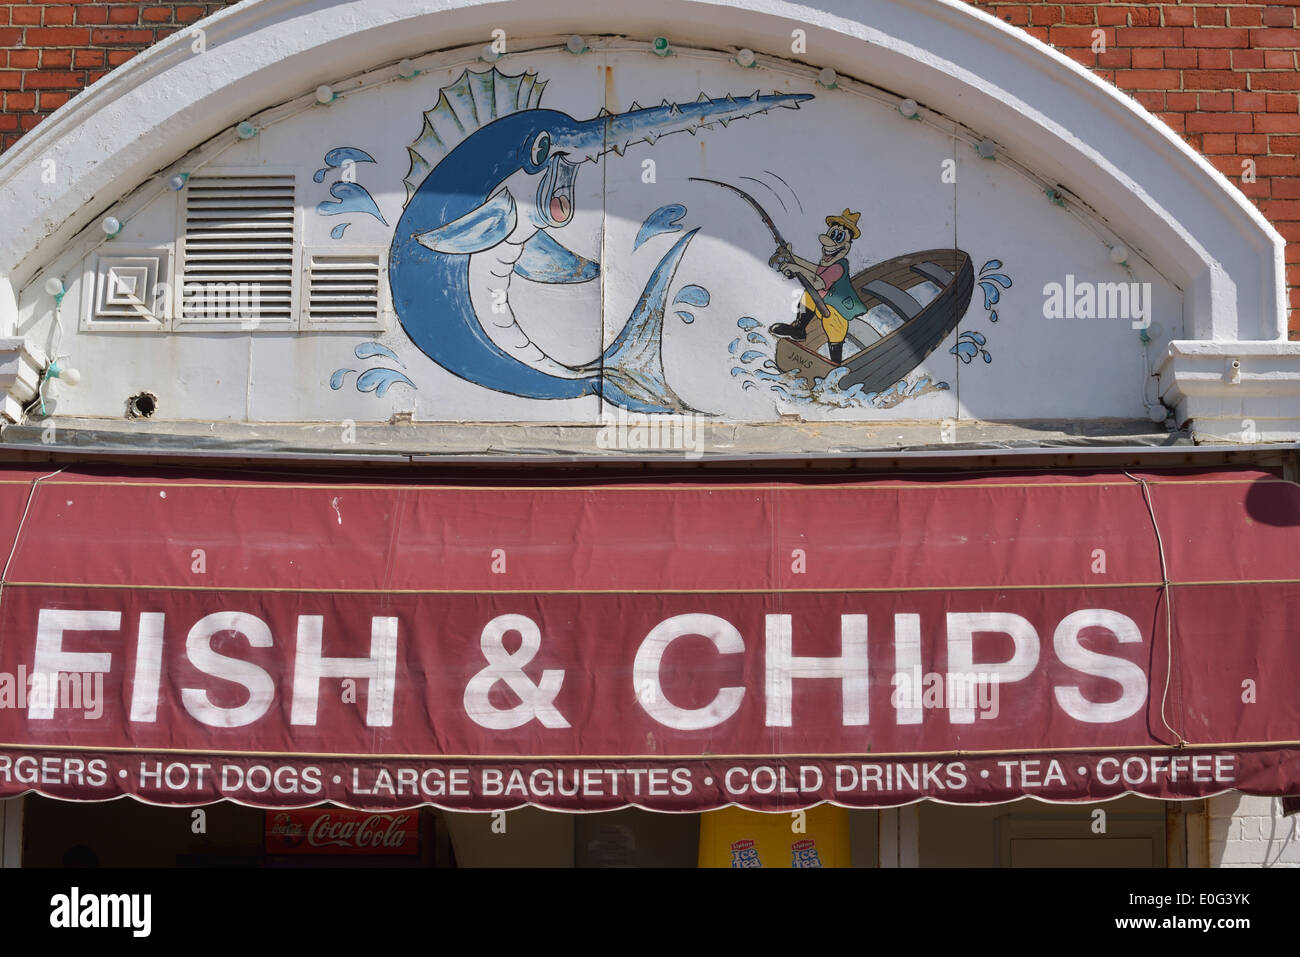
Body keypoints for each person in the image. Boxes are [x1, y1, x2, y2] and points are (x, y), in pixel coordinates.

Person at [769, 209, 868, 364]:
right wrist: (792, 257)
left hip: (836, 311)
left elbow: (819, 282)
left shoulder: (839, 266)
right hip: (822, 303)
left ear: (847, 246)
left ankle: (836, 364)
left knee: (834, 335)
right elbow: (813, 269)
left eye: (839, 237)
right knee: (808, 295)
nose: (830, 242)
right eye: (832, 234)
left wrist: (797, 268)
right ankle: (799, 329)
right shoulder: (828, 263)